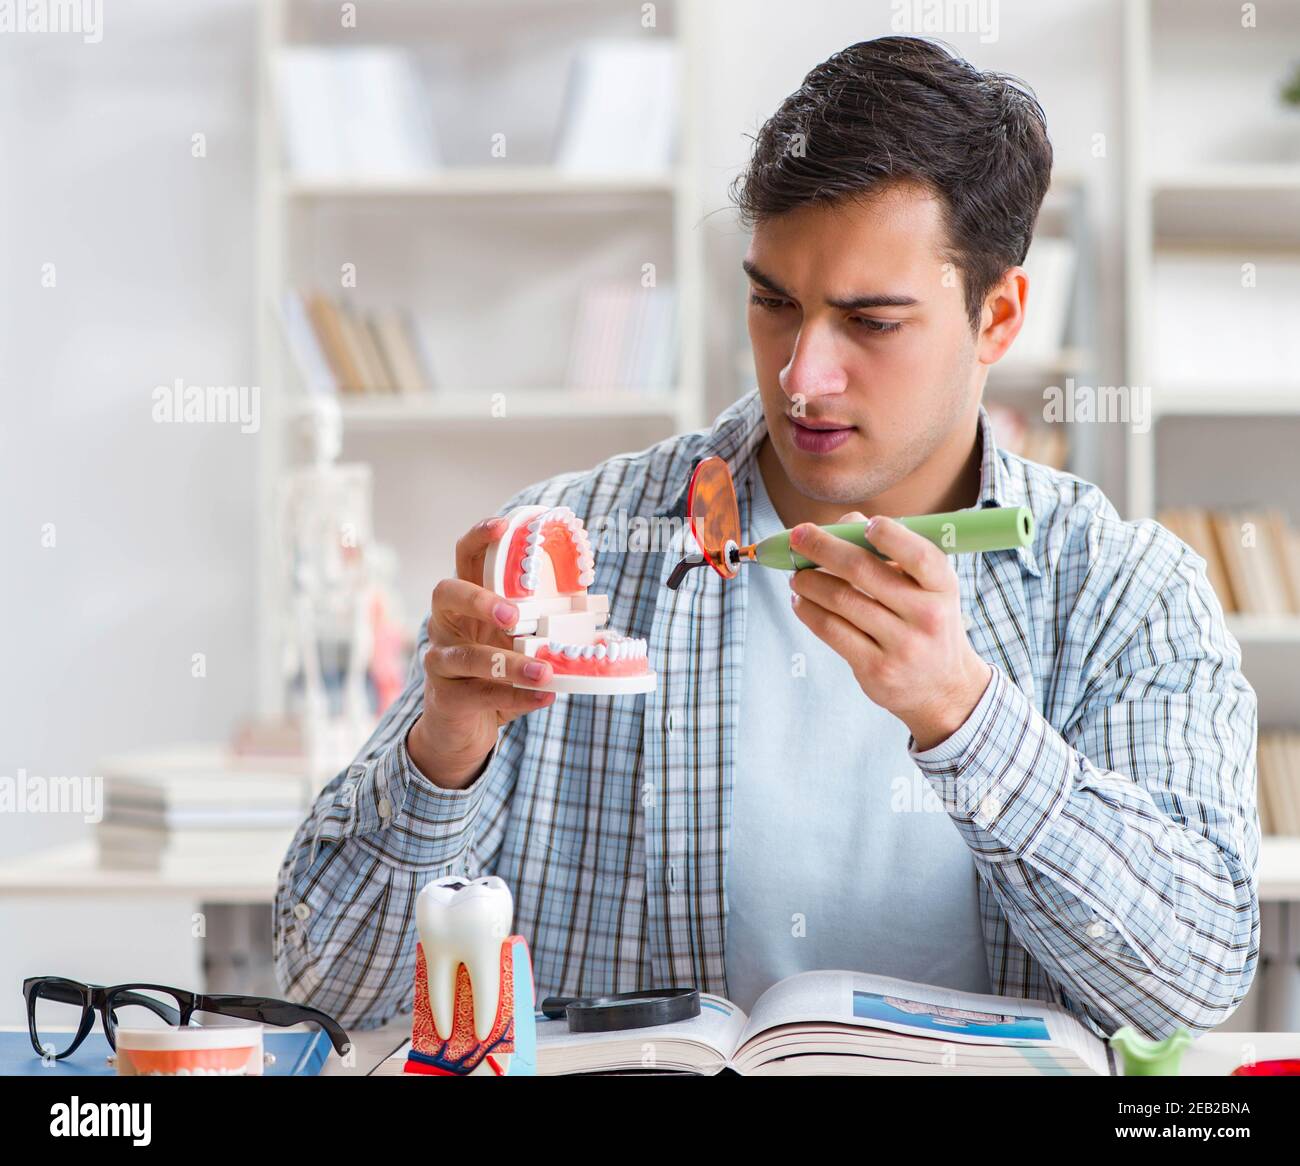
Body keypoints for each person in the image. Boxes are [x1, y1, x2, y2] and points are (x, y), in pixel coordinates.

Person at [273, 36, 1259, 1039]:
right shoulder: (575, 553)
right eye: (772, 302)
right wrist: (445, 758)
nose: (800, 376)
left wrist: (966, 717)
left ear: (997, 316)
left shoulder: (1122, 588)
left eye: (870, 322)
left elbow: (1190, 977)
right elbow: (333, 987)